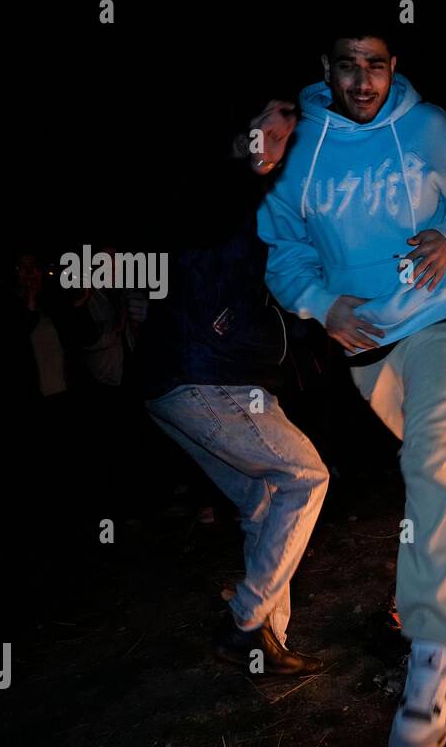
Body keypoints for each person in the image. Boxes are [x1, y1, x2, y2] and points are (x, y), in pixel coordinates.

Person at [257, 24, 446, 747]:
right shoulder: (301, 148)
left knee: (424, 471)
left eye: (376, 65)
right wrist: (322, 305)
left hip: (442, 319)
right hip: (367, 344)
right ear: (327, 69)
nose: (363, 80)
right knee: (441, 464)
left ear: (394, 68)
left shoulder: (428, 127)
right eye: (348, 66)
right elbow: (284, 251)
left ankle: (430, 651)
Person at [141, 99, 330, 677]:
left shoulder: (274, 219)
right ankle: (244, 622)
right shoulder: (222, 195)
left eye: (289, 133)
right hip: (200, 373)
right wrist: (251, 157)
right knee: (305, 477)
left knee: (265, 500)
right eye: (272, 126)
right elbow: (207, 202)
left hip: (194, 383)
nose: (282, 139)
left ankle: (265, 642)